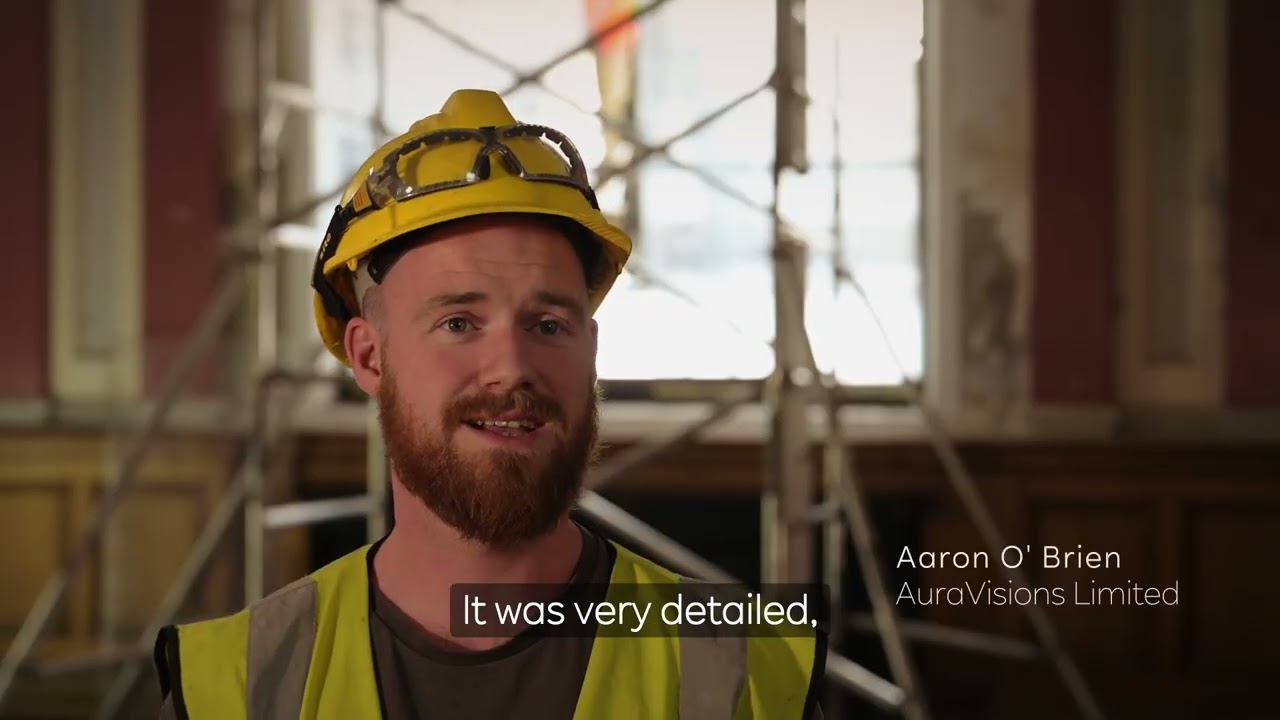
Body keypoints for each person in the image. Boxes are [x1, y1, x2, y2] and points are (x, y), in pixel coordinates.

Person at [152, 89, 825, 719]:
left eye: (549, 325)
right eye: (459, 323)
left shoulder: (750, 670)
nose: (512, 368)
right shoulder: (234, 686)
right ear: (369, 357)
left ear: (590, 350)